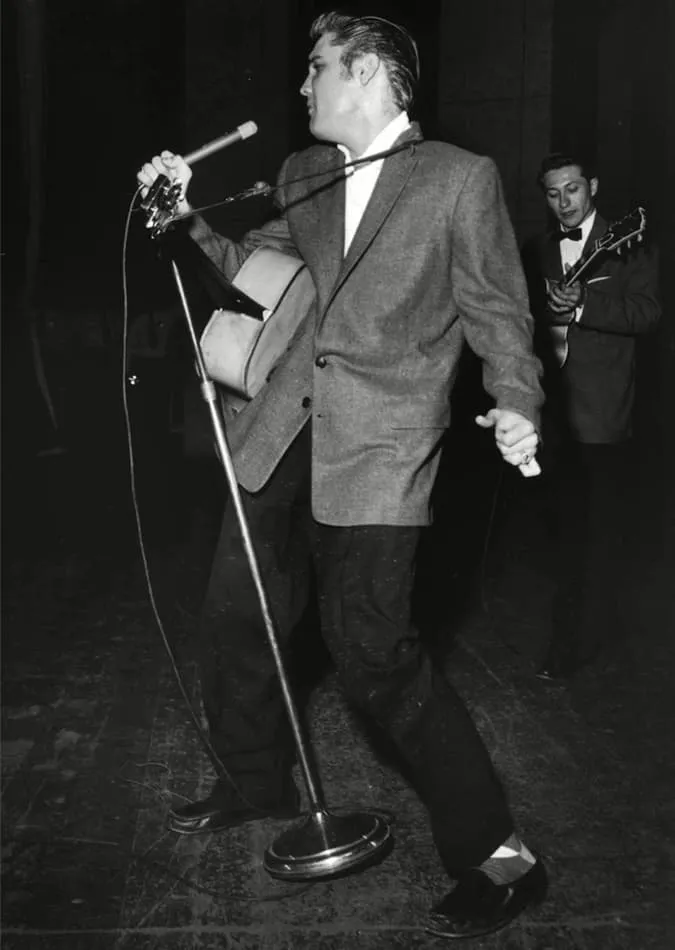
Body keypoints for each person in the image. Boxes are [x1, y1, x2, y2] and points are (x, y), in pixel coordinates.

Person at [138, 11, 546, 940]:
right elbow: (258, 274)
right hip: (282, 433)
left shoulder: (458, 178)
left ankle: (500, 856)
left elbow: (497, 311)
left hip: (379, 450)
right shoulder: (304, 172)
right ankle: (255, 781)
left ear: (365, 72)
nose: (303, 85)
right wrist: (184, 217)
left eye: (317, 67)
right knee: (237, 616)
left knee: (373, 654)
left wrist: (517, 401)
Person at [522, 151, 661, 682]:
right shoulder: (538, 248)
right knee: (562, 532)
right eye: (553, 192)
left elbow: (648, 313)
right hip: (550, 410)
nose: (564, 202)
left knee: (598, 537)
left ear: (594, 187)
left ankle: (582, 644)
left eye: (573, 189)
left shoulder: (630, 243)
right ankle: (572, 631)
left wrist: (584, 305)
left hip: (602, 413)